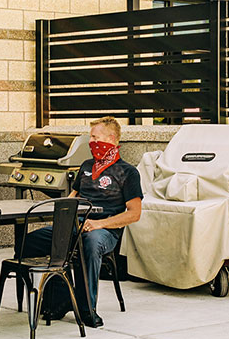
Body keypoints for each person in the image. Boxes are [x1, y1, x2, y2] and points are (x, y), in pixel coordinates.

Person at [21, 116, 141, 328]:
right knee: (30, 241)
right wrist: (61, 215)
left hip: (105, 230)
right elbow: (73, 198)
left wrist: (99, 224)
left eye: (96, 138)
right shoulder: (86, 166)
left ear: (111, 139)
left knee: (90, 243)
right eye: (91, 138)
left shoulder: (128, 172)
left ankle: (86, 309)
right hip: (76, 224)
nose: (92, 142)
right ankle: (62, 297)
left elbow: (134, 214)